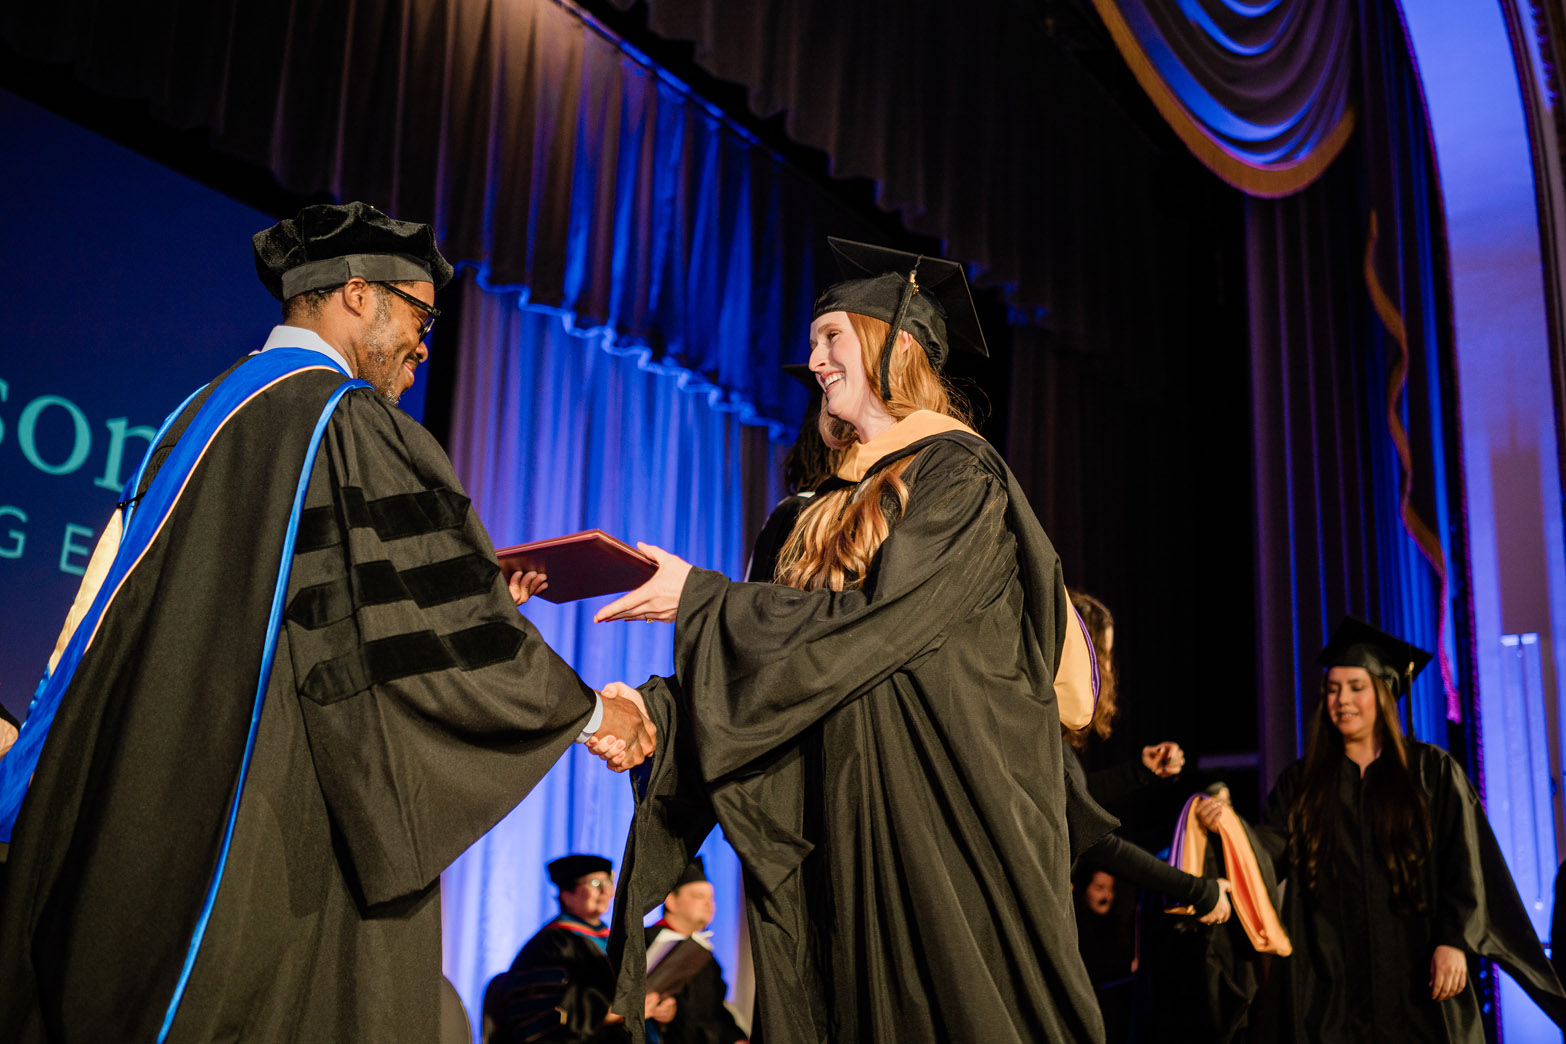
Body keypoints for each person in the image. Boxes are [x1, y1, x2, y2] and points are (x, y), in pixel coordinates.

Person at [0, 202, 654, 1043]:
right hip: (257, 830)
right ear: (354, 294)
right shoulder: (344, 420)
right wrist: (594, 713)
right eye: (418, 314)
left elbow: (271, 600)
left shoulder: (195, 417)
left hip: (136, 812)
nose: (425, 342)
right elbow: (412, 635)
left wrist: (463, 588)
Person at [593, 238, 1113, 1043]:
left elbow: (878, 625)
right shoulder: (812, 511)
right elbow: (781, 650)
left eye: (830, 337)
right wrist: (660, 714)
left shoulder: (959, 481)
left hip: (941, 823)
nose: (815, 359)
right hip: (836, 822)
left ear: (896, 344)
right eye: (812, 342)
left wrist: (700, 597)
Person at [1195, 617, 1566, 1042]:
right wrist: (1229, 825)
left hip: (1420, 970)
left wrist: (1455, 941)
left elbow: (1466, 864)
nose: (1342, 700)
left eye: (1356, 686)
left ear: (1384, 693)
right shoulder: (1303, 782)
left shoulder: (1430, 772)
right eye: (1333, 689)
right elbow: (1270, 848)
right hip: (1331, 977)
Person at [506, 855, 676, 1044]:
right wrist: (611, 1013)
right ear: (566, 894)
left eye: (608, 881)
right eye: (594, 883)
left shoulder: (618, 939)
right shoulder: (551, 944)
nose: (605, 891)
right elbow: (543, 1014)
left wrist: (659, 1008)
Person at [643, 858, 747, 1044]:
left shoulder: (704, 953)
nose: (709, 905)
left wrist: (737, 1038)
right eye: (699, 896)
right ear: (671, 901)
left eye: (711, 898)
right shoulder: (646, 943)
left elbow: (715, 1010)